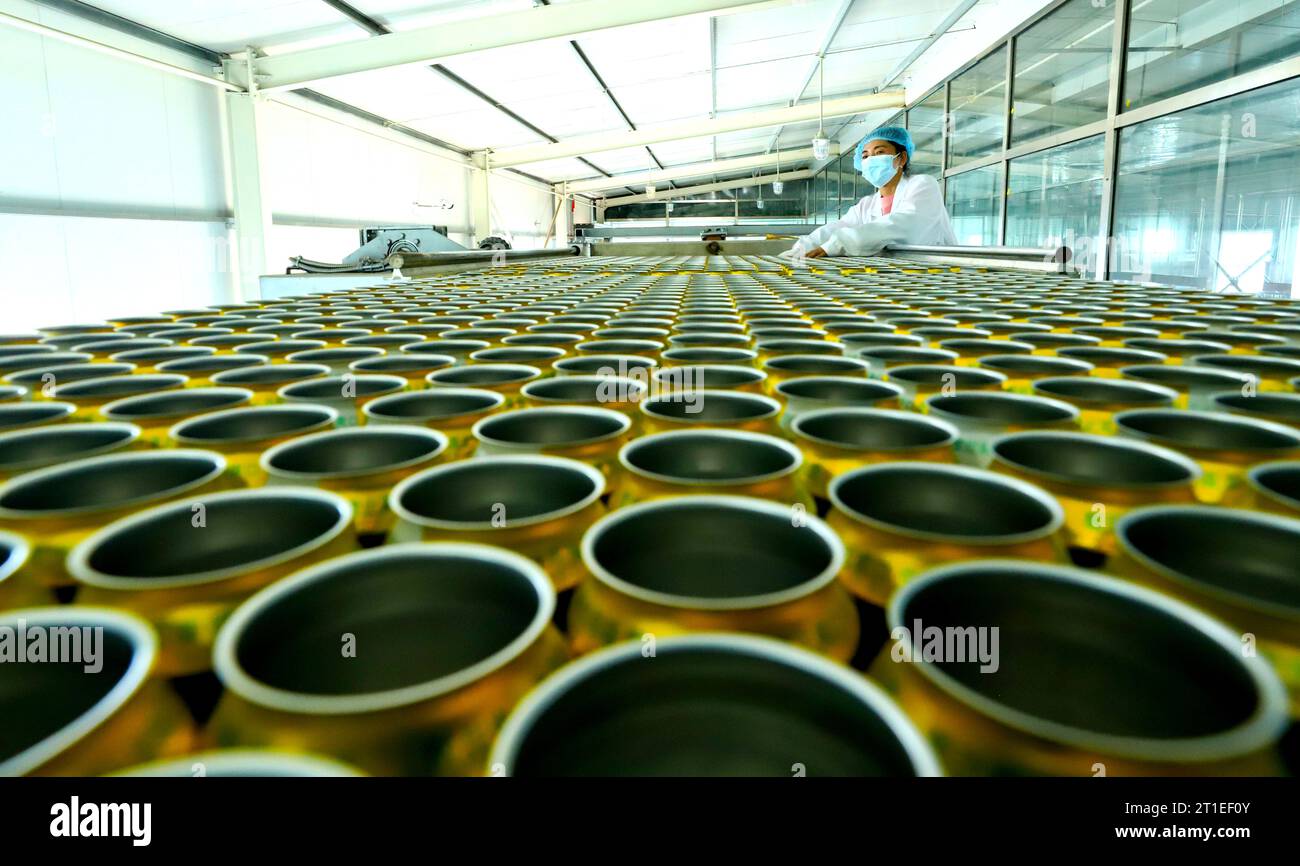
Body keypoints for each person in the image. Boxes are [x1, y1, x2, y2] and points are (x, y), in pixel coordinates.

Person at [783, 126, 957, 259]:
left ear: (902, 158)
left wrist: (837, 244)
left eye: (879, 152)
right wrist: (802, 247)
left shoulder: (923, 185)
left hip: (934, 272)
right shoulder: (867, 204)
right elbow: (839, 226)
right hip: (897, 276)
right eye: (865, 156)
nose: (871, 160)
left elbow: (900, 224)